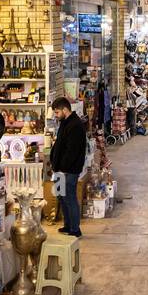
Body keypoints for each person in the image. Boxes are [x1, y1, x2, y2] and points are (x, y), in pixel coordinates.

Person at [49, 97, 87, 237]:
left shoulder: (75, 125)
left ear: (65, 110)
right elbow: (60, 144)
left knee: (69, 197)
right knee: (61, 196)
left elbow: (72, 151)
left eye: (57, 112)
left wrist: (63, 167)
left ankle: (75, 229)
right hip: (59, 169)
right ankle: (67, 225)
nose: (55, 115)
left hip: (68, 170)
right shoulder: (65, 122)